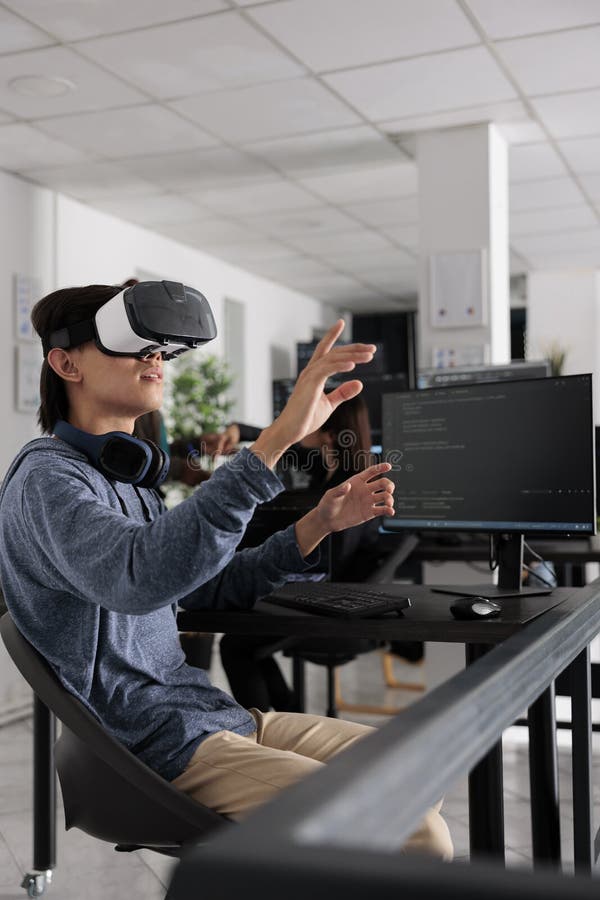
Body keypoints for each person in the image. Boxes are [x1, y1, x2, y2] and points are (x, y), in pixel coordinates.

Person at [0, 282, 452, 858]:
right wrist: (273, 443)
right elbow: (138, 578)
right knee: (418, 834)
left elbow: (208, 588)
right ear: (65, 363)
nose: (154, 360)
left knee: (424, 766)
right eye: (132, 346)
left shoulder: (126, 483)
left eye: (159, 350)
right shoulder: (47, 482)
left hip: (213, 717)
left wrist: (316, 525)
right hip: (155, 746)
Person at [219, 395, 389, 712]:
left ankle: (267, 733)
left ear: (330, 434)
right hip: (317, 595)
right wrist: (237, 429)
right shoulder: (326, 470)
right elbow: (284, 441)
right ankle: (284, 719)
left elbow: (330, 564)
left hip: (329, 605)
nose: (304, 423)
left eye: (315, 418)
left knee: (236, 644)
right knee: (243, 640)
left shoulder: (348, 490)